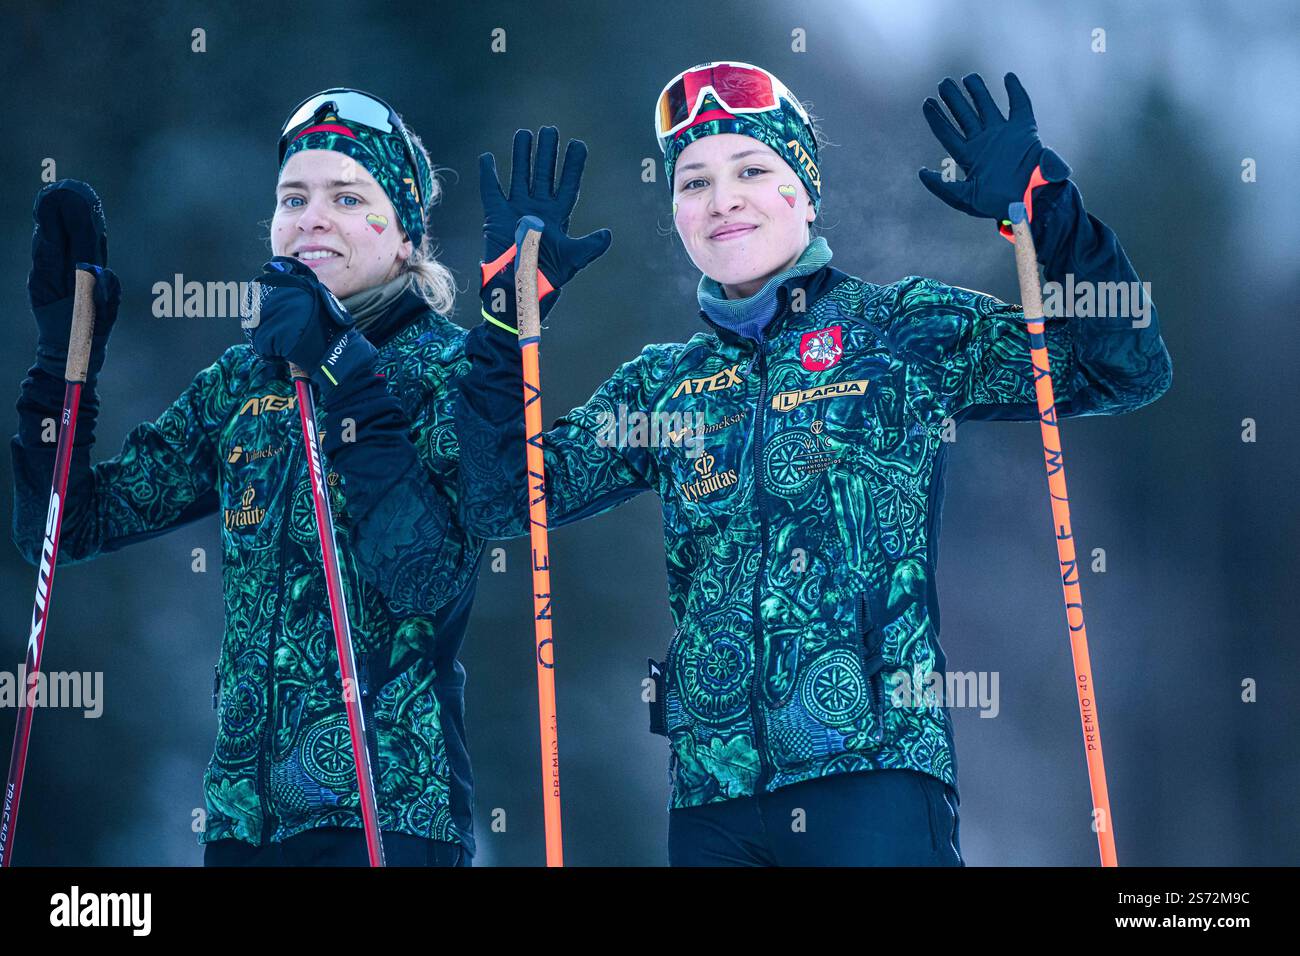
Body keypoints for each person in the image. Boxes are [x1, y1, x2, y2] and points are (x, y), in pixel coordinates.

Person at [455, 62, 1173, 866]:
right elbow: (497, 501)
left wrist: (1049, 211)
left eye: (752, 170)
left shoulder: (903, 330)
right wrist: (502, 319)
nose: (722, 199)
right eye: (693, 182)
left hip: (875, 781)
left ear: (804, 190)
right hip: (711, 804)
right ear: (677, 217)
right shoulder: (663, 386)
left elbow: (1123, 367)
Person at [12, 89, 483, 866]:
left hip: (386, 819)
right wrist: (63, 367)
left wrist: (335, 366)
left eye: (347, 196)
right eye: (293, 197)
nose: (312, 217)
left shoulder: (450, 370)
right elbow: (63, 529)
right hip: (241, 826)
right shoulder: (243, 381)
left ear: (404, 235)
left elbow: (424, 577)